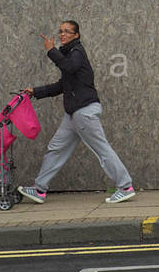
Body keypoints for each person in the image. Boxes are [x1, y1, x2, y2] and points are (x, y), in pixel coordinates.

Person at [17, 20, 136, 204]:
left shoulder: (77, 53)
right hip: (73, 114)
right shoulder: (68, 55)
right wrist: (36, 91)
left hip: (84, 112)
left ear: (76, 35)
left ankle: (125, 186)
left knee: (101, 149)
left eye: (67, 32)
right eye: (61, 31)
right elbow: (61, 85)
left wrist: (51, 50)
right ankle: (39, 189)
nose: (62, 34)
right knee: (55, 149)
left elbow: (69, 66)